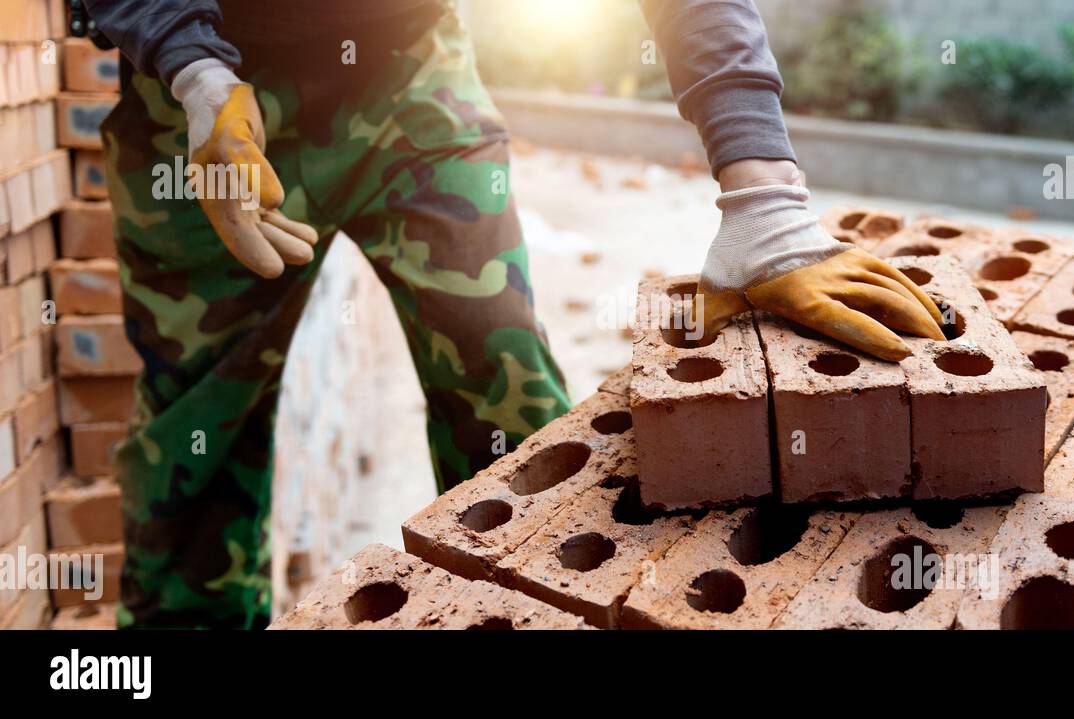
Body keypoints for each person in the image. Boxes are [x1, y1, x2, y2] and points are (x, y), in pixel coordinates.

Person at [83, 0, 942, 628]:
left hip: (407, 73)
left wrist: (767, 202)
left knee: (503, 385)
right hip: (204, 100)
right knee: (196, 439)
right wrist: (192, 69)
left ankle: (540, 608)